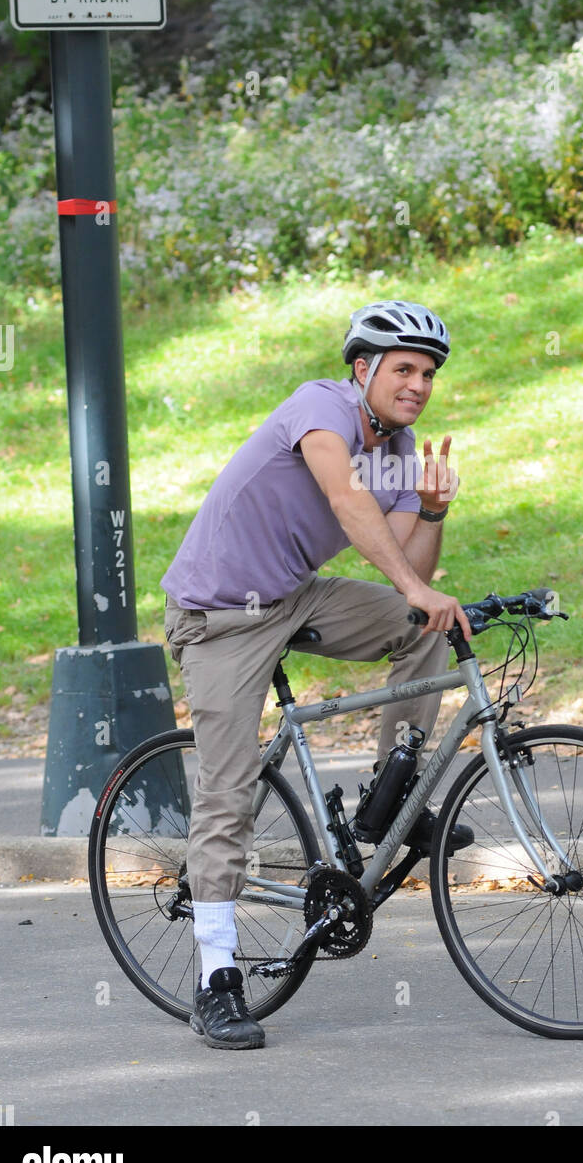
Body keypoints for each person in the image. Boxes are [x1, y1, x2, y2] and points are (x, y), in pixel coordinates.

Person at [161, 300, 472, 1050]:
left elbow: (405, 563)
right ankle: (216, 980)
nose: (418, 384)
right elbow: (345, 499)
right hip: (218, 614)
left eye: (428, 373)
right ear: (362, 369)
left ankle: (388, 796)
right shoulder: (319, 405)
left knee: (423, 628)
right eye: (403, 368)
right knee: (227, 796)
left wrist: (430, 512)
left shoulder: (397, 450)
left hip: (292, 596)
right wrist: (414, 582)